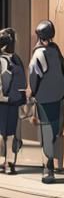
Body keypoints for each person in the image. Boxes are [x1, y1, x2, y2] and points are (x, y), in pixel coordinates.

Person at [25, 21, 64, 184]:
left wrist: (32, 93)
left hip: (44, 98)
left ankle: (48, 169)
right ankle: (57, 163)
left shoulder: (39, 54)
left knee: (47, 132)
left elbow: (34, 76)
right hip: (58, 96)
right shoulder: (57, 51)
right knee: (56, 130)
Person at [0, 28, 26, 174]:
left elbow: (22, 81)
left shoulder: (15, 59)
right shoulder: (10, 60)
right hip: (4, 101)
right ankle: (3, 162)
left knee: (9, 133)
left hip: (12, 101)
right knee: (3, 133)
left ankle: (8, 162)